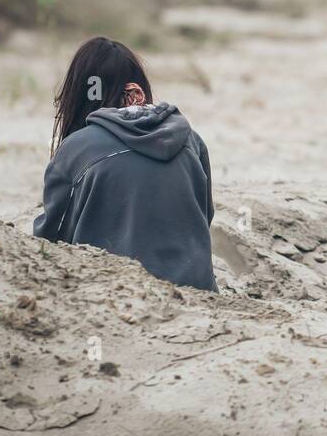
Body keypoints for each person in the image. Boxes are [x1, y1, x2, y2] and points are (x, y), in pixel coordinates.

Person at [33, 37, 216, 291]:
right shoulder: (191, 140)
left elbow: (50, 241)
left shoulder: (76, 149)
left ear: (78, 96)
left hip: (116, 293)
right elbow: (203, 218)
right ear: (137, 89)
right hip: (198, 292)